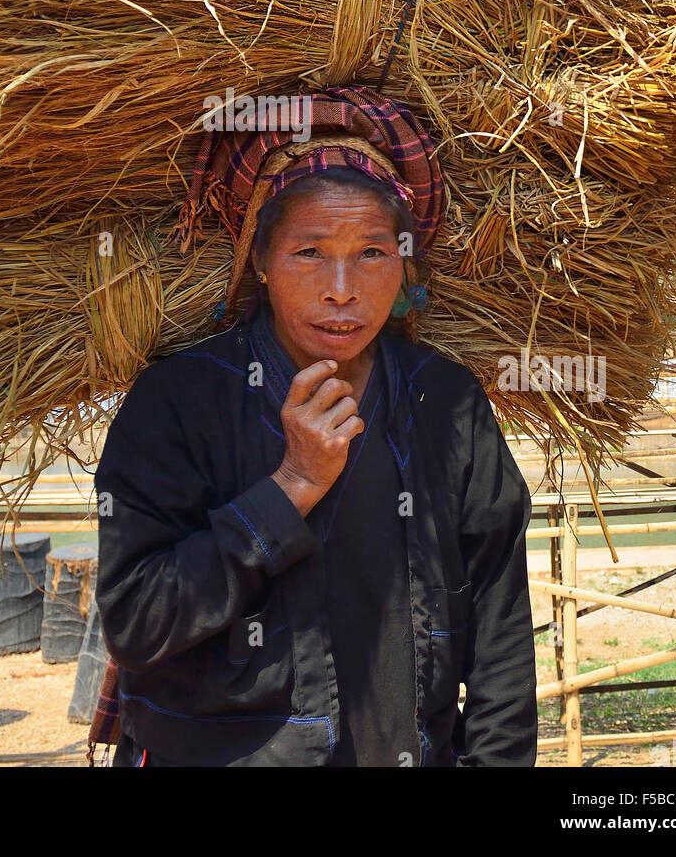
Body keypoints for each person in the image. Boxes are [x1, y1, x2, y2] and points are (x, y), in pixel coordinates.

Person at [92, 85, 537, 767]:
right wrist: (292, 485)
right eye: (309, 252)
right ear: (261, 263)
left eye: (371, 253)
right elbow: (136, 622)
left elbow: (499, 632)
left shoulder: (444, 402)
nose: (341, 287)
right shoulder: (179, 401)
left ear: (403, 264)